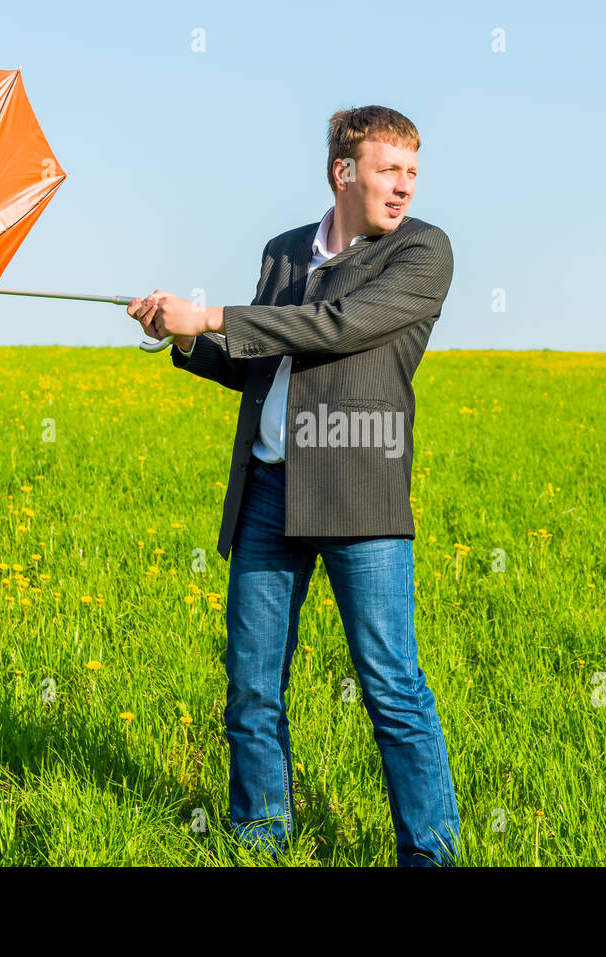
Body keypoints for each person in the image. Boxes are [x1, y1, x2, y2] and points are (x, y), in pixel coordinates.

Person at [127, 105, 459, 866]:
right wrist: (183, 336)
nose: (404, 186)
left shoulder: (420, 252)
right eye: (388, 170)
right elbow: (255, 364)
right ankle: (260, 839)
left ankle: (430, 854)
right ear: (343, 173)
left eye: (412, 171)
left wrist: (210, 311)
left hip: (359, 495)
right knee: (251, 684)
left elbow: (334, 326)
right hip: (270, 490)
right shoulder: (283, 252)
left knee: (391, 687)